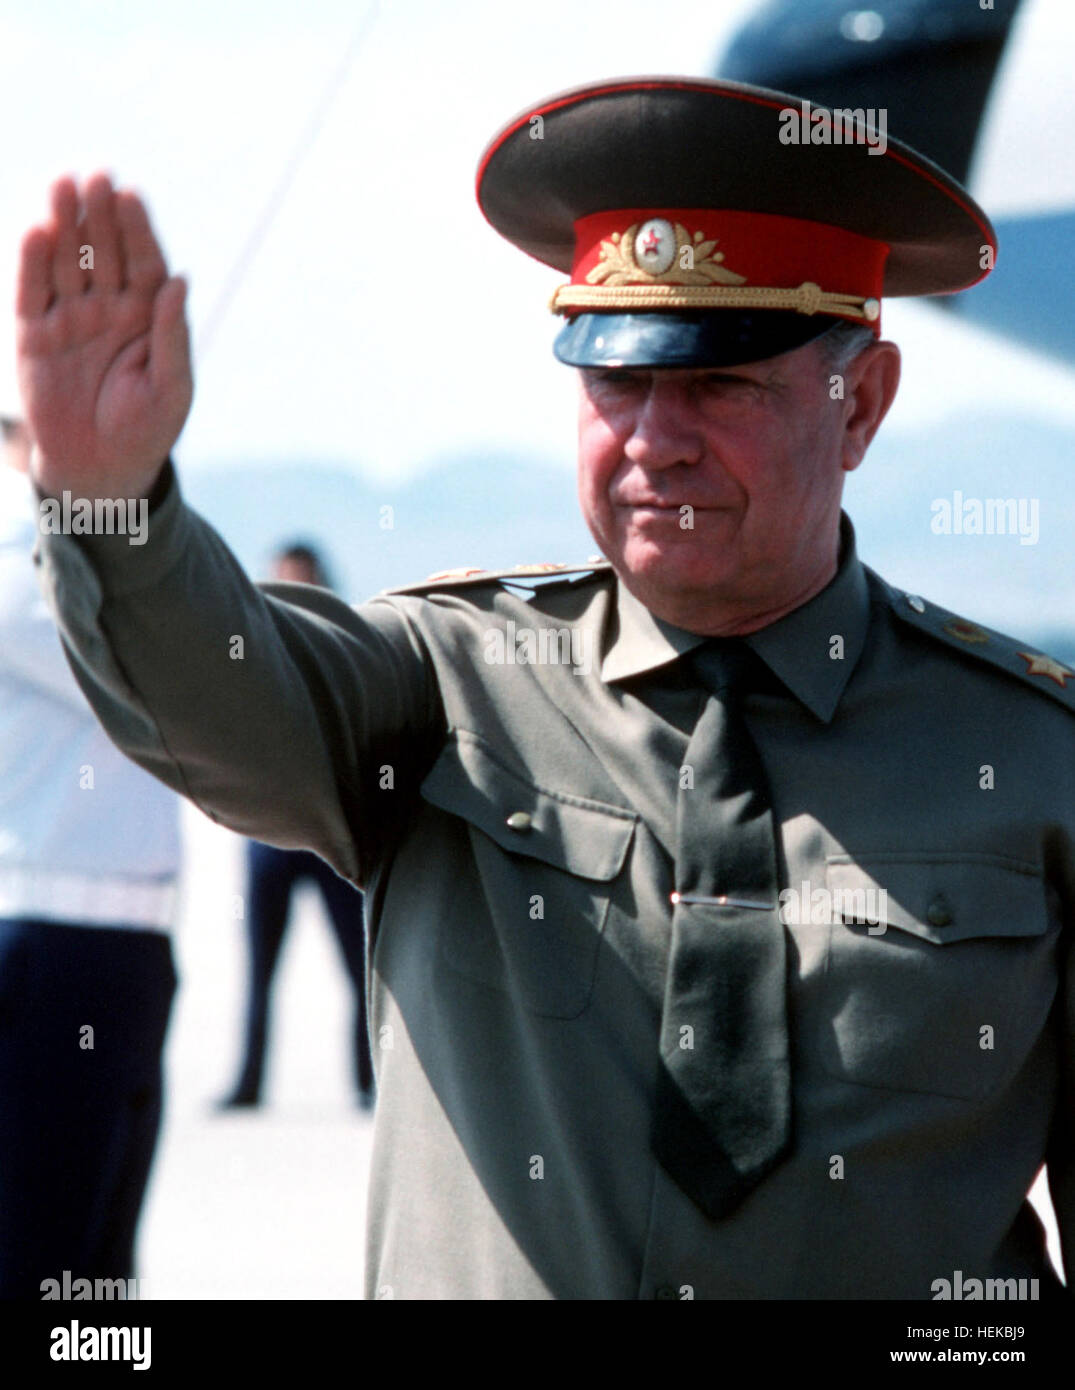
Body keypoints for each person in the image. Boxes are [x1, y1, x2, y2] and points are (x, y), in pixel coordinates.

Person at [16, 76, 1075, 1300]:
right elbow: (215, 689)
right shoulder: (445, 685)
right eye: (614, 380)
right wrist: (110, 503)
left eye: (723, 383)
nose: (655, 439)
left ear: (863, 404)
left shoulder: (1027, 759)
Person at [0, 398, 180, 1298]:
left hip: (118, 947)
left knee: (101, 1261)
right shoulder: (19, 568)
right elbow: (156, 678)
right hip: (54, 943)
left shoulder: (84, 558)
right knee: (46, 1252)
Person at [216, 542, 374, 1111]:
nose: (290, 587)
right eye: (281, 577)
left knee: (361, 968)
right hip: (268, 836)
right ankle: (249, 1084)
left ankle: (369, 1081)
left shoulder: (344, 644)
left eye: (300, 578)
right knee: (259, 970)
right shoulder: (246, 649)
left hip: (332, 836)